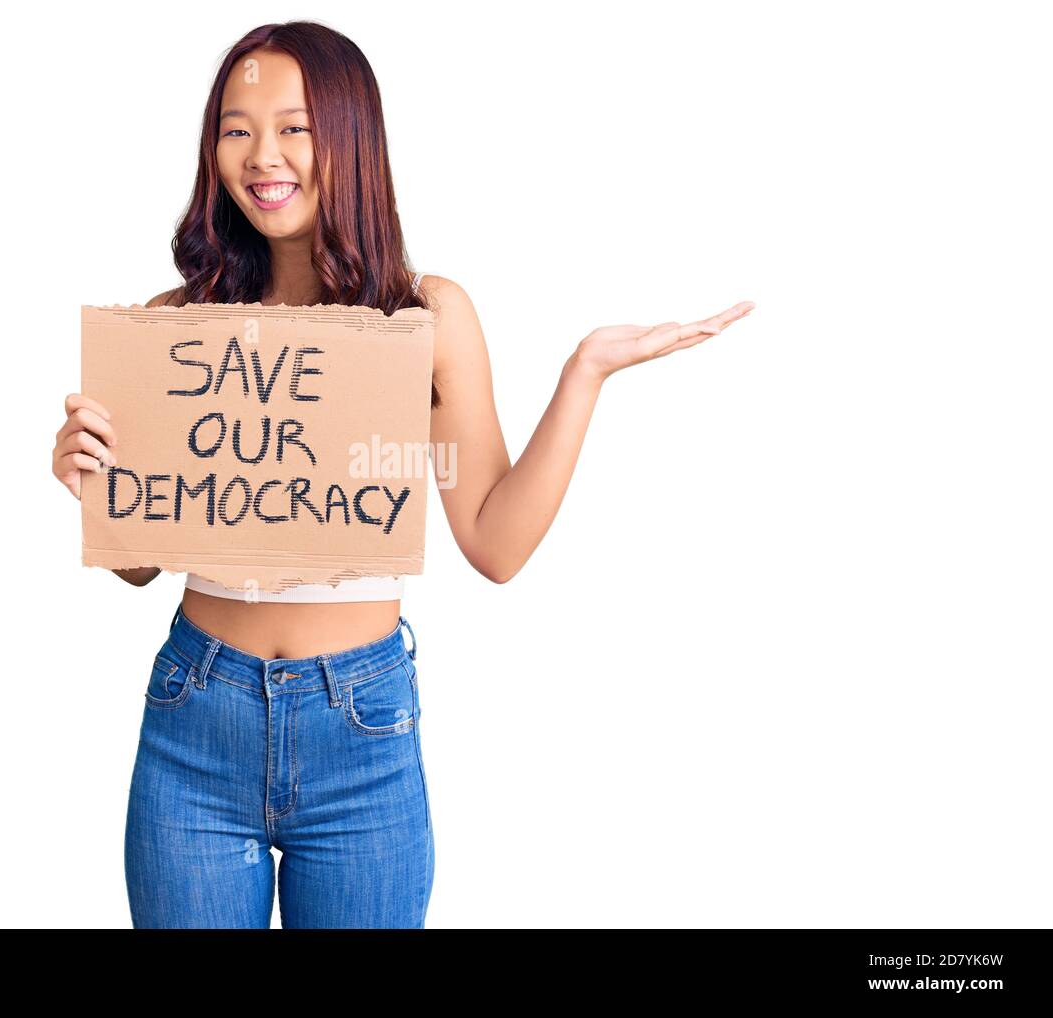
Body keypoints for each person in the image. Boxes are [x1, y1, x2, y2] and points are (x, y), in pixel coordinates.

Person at [50, 21, 754, 929]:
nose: (264, 155)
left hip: (362, 728)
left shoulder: (422, 316)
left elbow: (495, 544)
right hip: (196, 717)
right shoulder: (177, 324)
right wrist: (96, 482)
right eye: (236, 128)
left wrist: (585, 372)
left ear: (351, 137)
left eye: (295, 127)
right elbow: (144, 562)